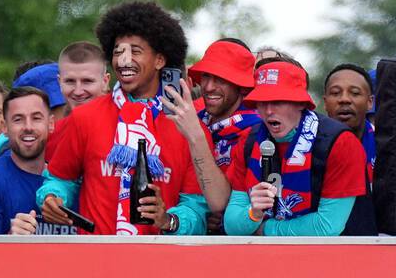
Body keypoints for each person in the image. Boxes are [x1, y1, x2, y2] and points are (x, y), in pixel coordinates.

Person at [38, 0, 204, 235]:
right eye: (118, 52)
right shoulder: (85, 117)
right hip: (97, 263)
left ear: (160, 59)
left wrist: (168, 219)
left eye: (135, 51)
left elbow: (196, 209)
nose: (124, 61)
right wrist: (53, 197)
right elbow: (59, 180)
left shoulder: (187, 126)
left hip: (161, 264)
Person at [223, 59, 368, 237]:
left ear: (301, 103)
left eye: (278, 101)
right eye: (261, 102)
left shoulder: (341, 143)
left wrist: (265, 230)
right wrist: (253, 213)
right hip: (268, 260)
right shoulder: (248, 141)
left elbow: (327, 226)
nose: (268, 111)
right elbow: (231, 225)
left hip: (342, 258)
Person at [149, 38, 260, 234]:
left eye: (221, 79)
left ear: (241, 86)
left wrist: (195, 135)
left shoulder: (257, 132)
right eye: (206, 76)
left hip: (243, 248)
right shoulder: (195, 116)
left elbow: (222, 203)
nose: (208, 87)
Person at [0, 86, 71, 236]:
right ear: (4, 127)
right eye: (18, 119)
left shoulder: (71, 178)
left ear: (51, 124)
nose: (28, 127)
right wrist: (10, 238)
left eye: (36, 118)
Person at [321, 62, 378, 234]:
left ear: (370, 102)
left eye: (354, 93)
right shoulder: (308, 146)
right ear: (325, 102)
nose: (344, 99)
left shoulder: (388, 147)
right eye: (335, 93)